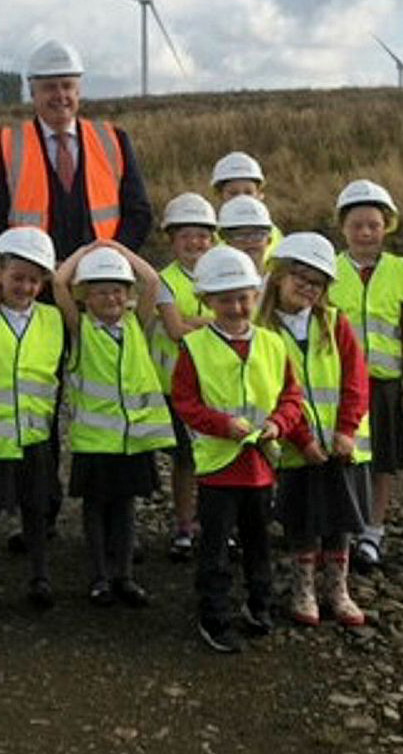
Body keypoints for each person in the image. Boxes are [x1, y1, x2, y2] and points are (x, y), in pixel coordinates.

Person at [174, 245, 305, 654]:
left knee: (259, 543)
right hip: (218, 467)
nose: (236, 306)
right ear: (208, 301)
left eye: (244, 297)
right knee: (214, 549)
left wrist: (278, 425)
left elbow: (291, 397)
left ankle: (258, 606)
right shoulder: (195, 346)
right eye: (226, 299)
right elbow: (186, 402)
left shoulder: (272, 343)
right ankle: (214, 616)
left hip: (261, 465)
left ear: (256, 295)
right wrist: (223, 425)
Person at [257, 233, 370, 627]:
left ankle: (337, 588)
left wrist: (347, 430)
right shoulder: (263, 330)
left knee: (340, 518)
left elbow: (356, 380)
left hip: (340, 445)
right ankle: (303, 586)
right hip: (294, 447)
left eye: (316, 282)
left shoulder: (335, 323)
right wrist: (302, 440)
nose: (307, 288)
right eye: (299, 278)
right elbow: (272, 391)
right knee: (301, 518)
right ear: (278, 276)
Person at [55, 240, 175, 608]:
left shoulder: (137, 326)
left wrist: (119, 249)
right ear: (86, 297)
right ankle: (99, 578)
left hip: (132, 441)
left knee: (126, 510)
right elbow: (58, 283)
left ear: (128, 295)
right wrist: (88, 249)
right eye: (100, 291)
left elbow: (153, 280)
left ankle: (124, 576)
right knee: (95, 512)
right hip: (95, 443)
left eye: (118, 291)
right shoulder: (80, 330)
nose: (110, 298)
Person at [0, 38, 153, 263]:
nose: (60, 95)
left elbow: (139, 215)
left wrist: (111, 262)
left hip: (100, 284)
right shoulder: (5, 145)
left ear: (78, 91)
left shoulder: (114, 140)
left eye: (67, 86)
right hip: (36, 285)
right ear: (32, 93)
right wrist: (23, 266)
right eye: (49, 87)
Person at [0, 226, 65, 614]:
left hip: (36, 436)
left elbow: (68, 281)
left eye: (34, 280)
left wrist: (97, 245)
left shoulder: (53, 321)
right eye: (17, 277)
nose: (24, 286)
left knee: (36, 508)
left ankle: (40, 577)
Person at [327, 178, 403, 574]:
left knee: (382, 460)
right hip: (341, 384)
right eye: (357, 225)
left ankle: (373, 532)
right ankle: (342, 527)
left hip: (385, 383)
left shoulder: (401, 271)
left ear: (386, 227)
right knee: (344, 456)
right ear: (343, 228)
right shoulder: (328, 270)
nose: (365, 233)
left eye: (374, 225)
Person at [150, 192, 217, 561]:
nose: (195, 243)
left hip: (217, 385)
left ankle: (215, 523)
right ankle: (183, 525)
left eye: (202, 235)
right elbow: (176, 330)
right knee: (185, 460)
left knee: (217, 458)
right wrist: (213, 324)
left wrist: (197, 322)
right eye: (186, 235)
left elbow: (239, 321)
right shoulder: (164, 280)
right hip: (178, 387)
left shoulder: (222, 272)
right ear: (172, 239)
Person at [210, 151, 282, 256]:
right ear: (219, 196)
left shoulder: (276, 235)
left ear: (259, 195)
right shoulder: (208, 239)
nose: (241, 198)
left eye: (248, 192)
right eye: (233, 193)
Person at [217, 195, 276, 274]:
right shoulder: (215, 283)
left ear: (269, 239)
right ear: (226, 240)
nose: (249, 241)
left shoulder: (281, 283)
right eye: (240, 235)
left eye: (257, 235)